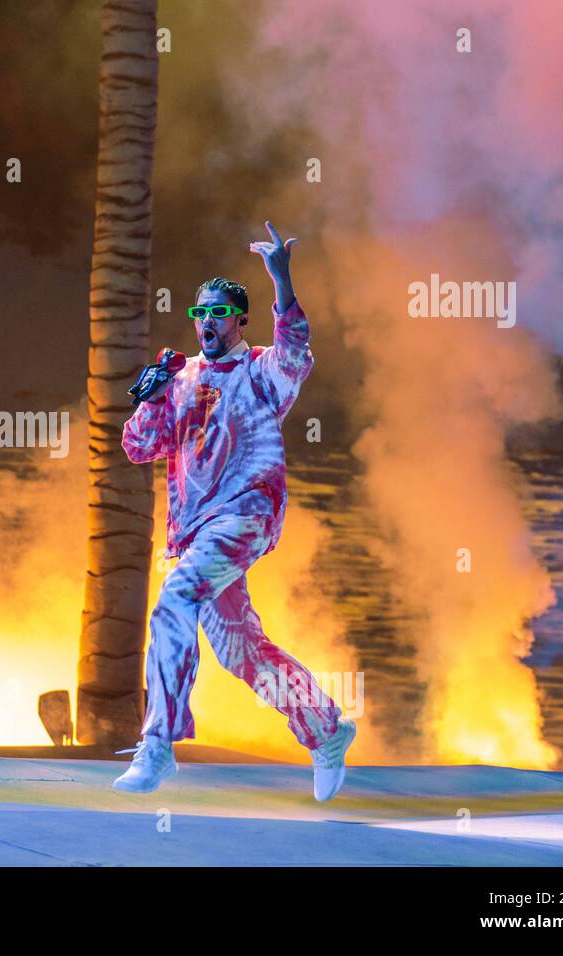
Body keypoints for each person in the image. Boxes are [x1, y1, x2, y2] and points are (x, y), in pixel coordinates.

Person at [113, 221, 357, 802]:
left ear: (240, 320)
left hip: (247, 514)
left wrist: (282, 280)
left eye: (220, 313)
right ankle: (325, 727)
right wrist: (151, 398)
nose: (208, 321)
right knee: (240, 652)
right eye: (200, 312)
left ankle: (157, 745)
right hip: (197, 532)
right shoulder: (181, 379)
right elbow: (139, 447)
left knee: (174, 598)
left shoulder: (261, 371)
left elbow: (295, 349)